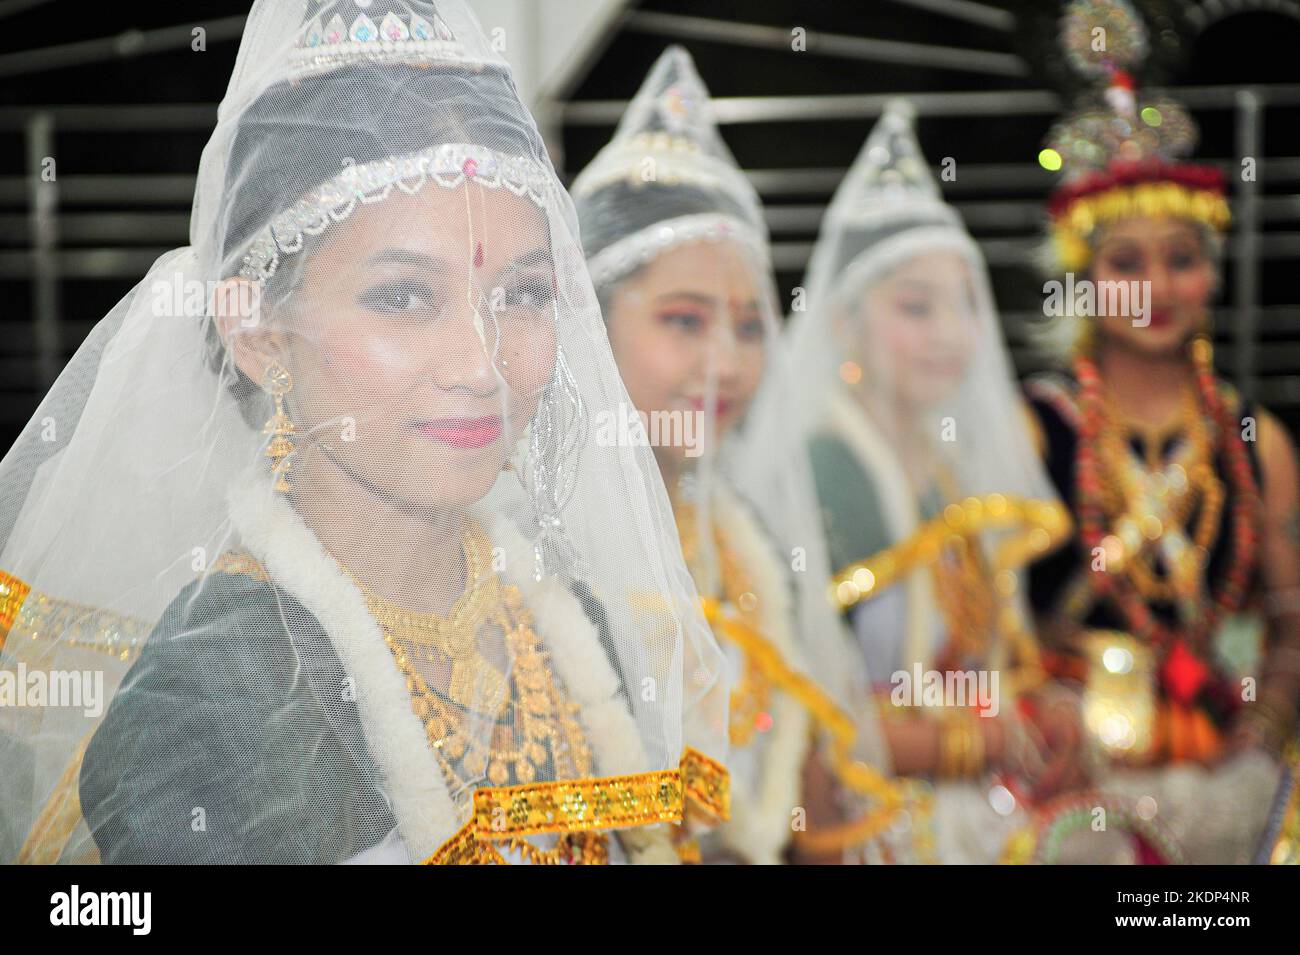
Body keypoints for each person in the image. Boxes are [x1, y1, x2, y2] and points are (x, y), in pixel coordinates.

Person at [0, 0, 729, 866]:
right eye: (403, 296)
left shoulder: (574, 622)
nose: (480, 364)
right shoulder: (211, 698)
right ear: (258, 329)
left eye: (523, 293)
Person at [572, 46, 897, 864]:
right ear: (587, 325)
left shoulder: (742, 540)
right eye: (684, 319)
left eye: (750, 326)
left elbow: (813, 801)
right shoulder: (541, 548)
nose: (727, 361)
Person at [761, 98, 1078, 863]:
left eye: (962, 305)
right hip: (866, 820)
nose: (949, 334)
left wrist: (1042, 704)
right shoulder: (826, 469)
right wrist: (978, 738)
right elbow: (800, 718)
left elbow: (984, 659)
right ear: (843, 325)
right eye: (915, 307)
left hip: (978, 801)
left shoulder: (940, 462)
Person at [1021, 0, 1299, 864]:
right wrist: (1043, 718)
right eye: (1125, 262)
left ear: (1211, 273)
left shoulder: (1257, 438)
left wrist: (1263, 725)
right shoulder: (1037, 427)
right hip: (1074, 775)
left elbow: (1292, 618)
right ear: (1084, 275)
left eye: (1180, 258)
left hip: (1233, 759)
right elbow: (983, 630)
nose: (1156, 285)